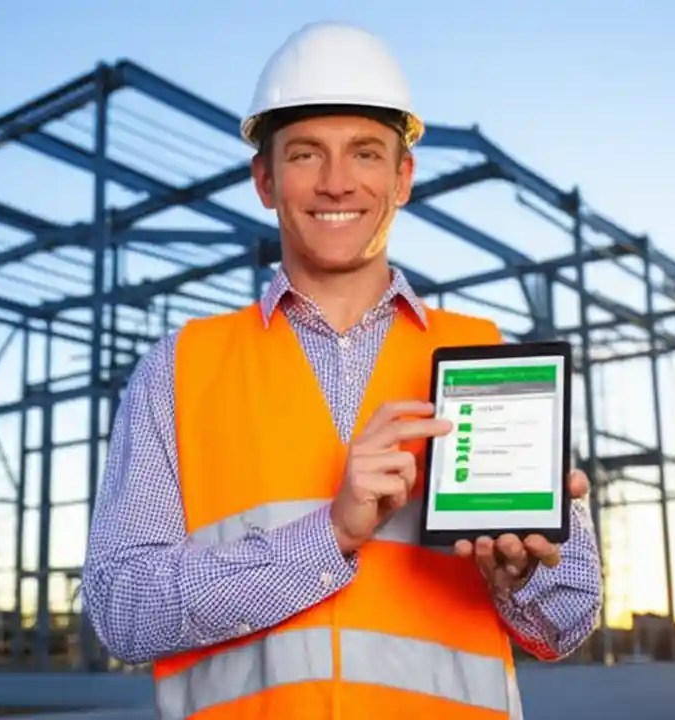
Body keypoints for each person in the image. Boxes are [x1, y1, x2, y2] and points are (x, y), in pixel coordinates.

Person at [81, 20, 602, 720]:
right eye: (304, 155)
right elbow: (122, 609)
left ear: (403, 176)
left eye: (364, 152)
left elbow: (565, 623)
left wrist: (518, 578)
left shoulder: (489, 358)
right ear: (265, 179)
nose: (335, 183)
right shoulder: (178, 370)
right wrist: (328, 537)